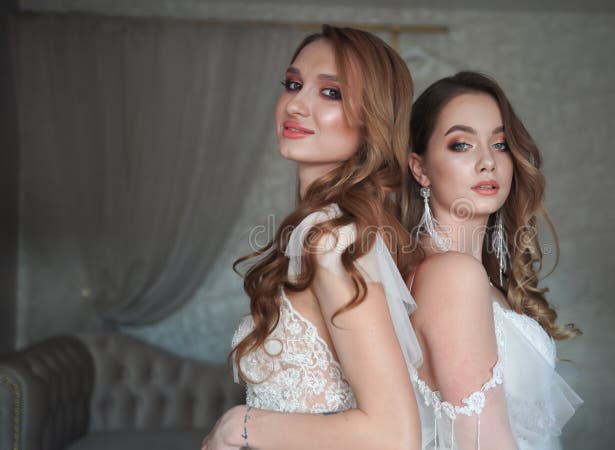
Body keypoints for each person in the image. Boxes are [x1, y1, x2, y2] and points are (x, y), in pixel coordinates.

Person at [202, 25, 422, 450]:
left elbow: (395, 436)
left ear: (372, 118)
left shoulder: (331, 239)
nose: (296, 104)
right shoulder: (323, 228)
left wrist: (239, 424)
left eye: (331, 93)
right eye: (293, 84)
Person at [402, 71, 583, 450]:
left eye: (500, 144)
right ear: (420, 168)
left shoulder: (477, 277)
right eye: (461, 145)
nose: (487, 161)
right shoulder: (451, 275)